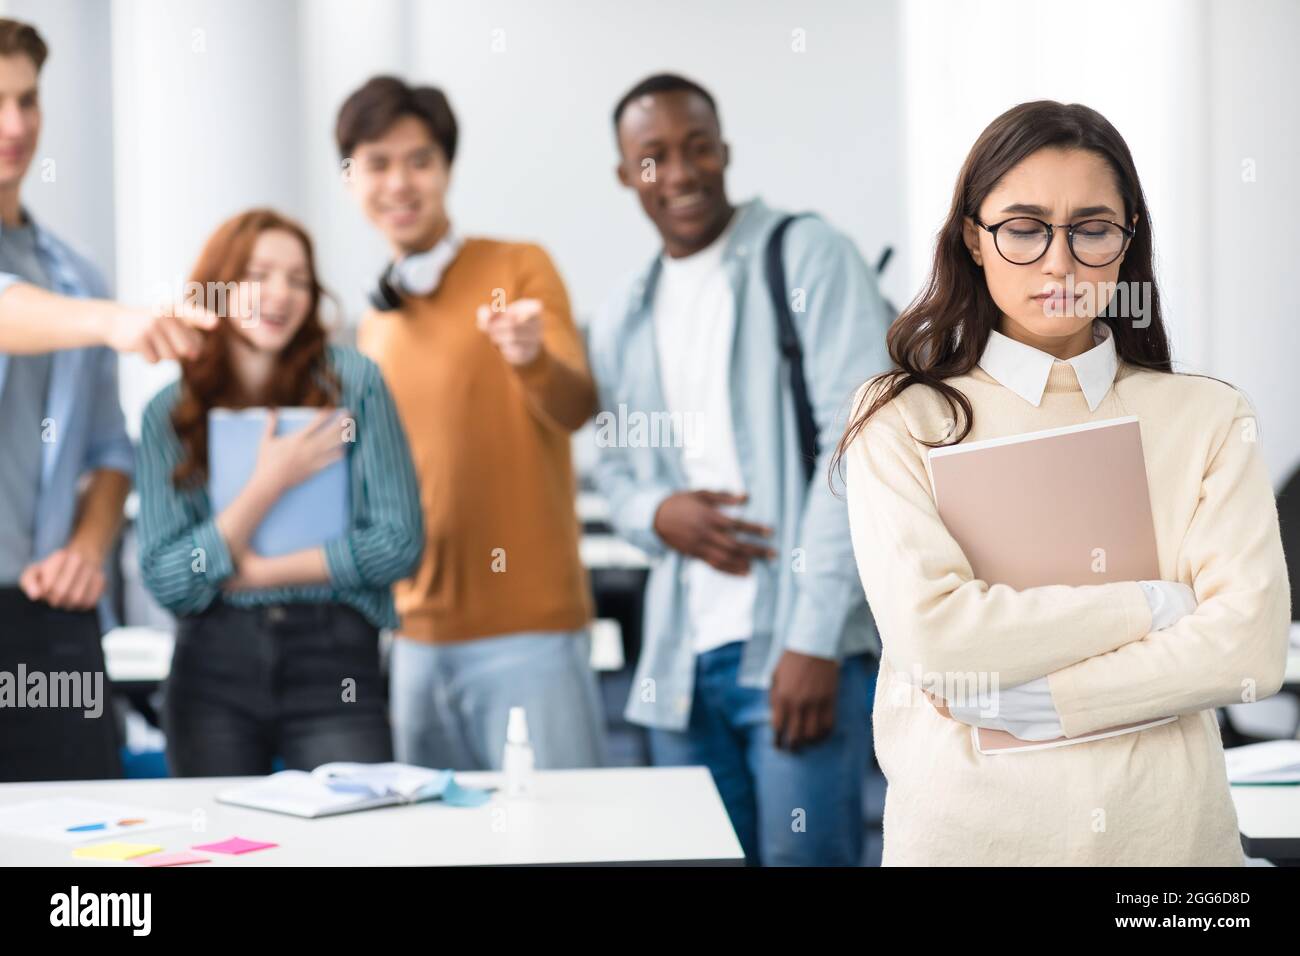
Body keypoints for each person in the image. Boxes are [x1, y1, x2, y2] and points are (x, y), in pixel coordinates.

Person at [840, 100, 1290, 866]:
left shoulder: (1208, 417)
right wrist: (1156, 603)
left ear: (1127, 240)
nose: (1060, 262)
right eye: (1023, 228)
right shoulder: (903, 419)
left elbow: (1246, 651)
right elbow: (940, 644)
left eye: (1092, 227)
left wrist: (1039, 702)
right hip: (971, 839)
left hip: (1169, 849)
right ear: (973, 240)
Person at [587, 73, 892, 865]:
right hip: (678, 664)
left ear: (724, 151)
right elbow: (614, 472)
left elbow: (860, 444)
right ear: (626, 175)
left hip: (793, 648)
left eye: (698, 148)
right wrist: (658, 512)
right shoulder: (624, 310)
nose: (680, 173)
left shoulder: (808, 255)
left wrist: (816, 639)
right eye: (653, 158)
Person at [336, 76, 606, 771]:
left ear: (447, 169)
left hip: (529, 630)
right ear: (352, 178)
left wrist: (530, 355)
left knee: (558, 843)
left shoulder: (517, 267)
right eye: (377, 163)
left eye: (420, 160)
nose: (400, 182)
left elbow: (577, 405)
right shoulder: (374, 323)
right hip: (415, 638)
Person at [136, 209, 423, 776]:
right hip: (212, 667)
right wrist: (270, 482)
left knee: (352, 848)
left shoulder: (354, 383)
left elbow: (398, 542)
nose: (280, 294)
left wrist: (258, 572)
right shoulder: (168, 412)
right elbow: (169, 579)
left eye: (298, 279)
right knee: (219, 851)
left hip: (334, 656)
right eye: (259, 275)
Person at [0, 18, 210, 782]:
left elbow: (108, 450)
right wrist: (117, 323)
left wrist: (89, 547)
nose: (15, 125)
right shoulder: (87, 305)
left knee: (83, 832)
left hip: (47, 615)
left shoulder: (75, 274)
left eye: (28, 101)